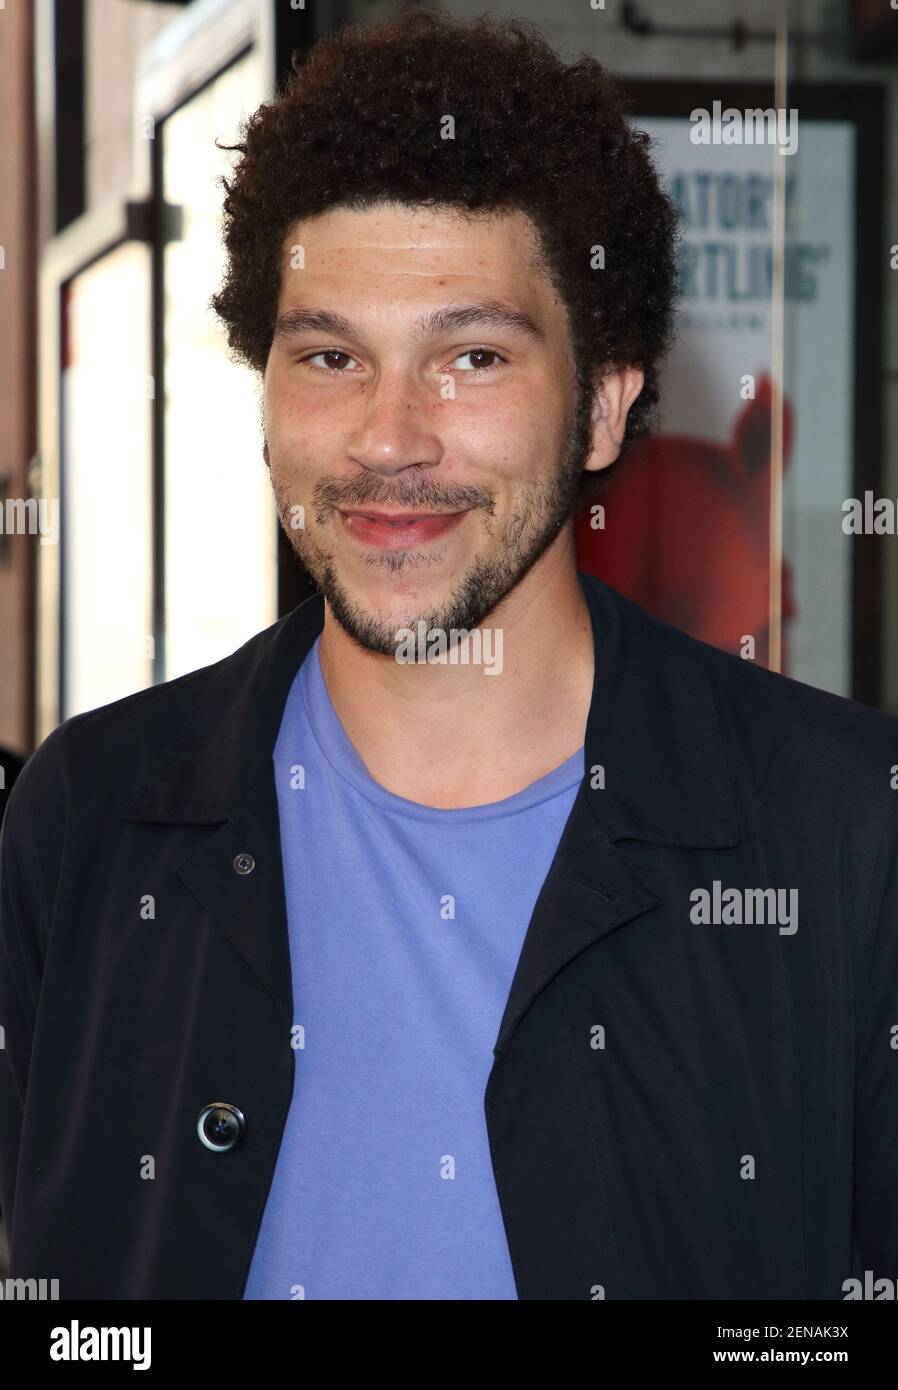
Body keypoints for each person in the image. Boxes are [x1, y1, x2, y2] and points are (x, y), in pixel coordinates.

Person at [1, 8, 897, 1301]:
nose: (387, 439)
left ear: (601, 400)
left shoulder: (845, 835)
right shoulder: (89, 820)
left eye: (471, 356)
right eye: (329, 355)